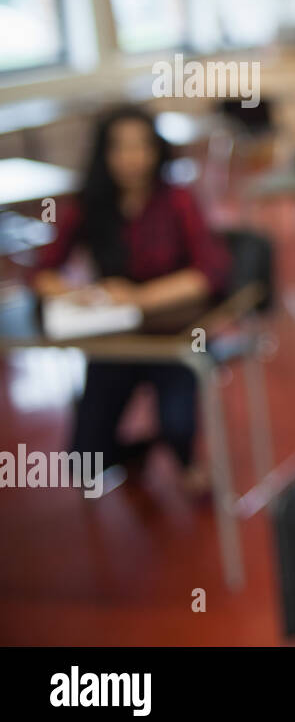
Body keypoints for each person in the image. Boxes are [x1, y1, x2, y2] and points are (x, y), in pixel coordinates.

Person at [31, 106, 230, 496]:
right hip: (114, 342)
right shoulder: (90, 203)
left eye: (140, 147)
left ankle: (180, 453)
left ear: (156, 151)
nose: (131, 158)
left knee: (178, 428)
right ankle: (141, 452)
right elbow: (44, 272)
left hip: (172, 337)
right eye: (119, 148)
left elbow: (211, 272)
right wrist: (82, 294)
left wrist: (138, 297)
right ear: (104, 154)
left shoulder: (177, 200)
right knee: (84, 459)